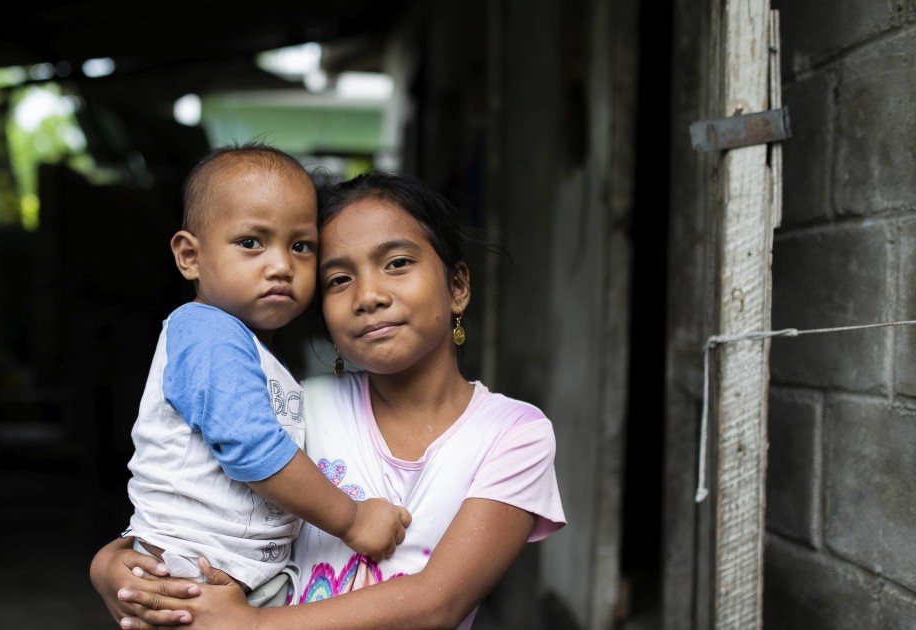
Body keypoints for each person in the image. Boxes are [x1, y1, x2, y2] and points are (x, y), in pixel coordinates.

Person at [90, 170, 566, 630]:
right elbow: (198, 504)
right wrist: (110, 563)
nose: (369, 296)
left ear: (457, 286)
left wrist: (252, 624)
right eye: (339, 279)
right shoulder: (299, 409)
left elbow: (438, 604)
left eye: (397, 263)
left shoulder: (513, 434)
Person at [119, 144, 413, 609]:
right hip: (187, 575)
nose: (281, 266)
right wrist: (353, 520)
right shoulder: (206, 332)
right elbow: (252, 448)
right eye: (251, 242)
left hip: (230, 575)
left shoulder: (247, 347)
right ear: (190, 256)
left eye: (301, 246)